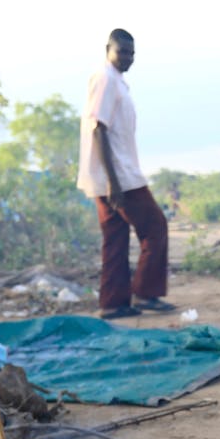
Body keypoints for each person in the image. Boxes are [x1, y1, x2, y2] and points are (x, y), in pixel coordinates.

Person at [78, 28, 175, 319]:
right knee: (155, 228)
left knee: (116, 237)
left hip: (109, 176)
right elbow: (98, 129)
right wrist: (113, 182)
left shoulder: (116, 81)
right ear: (108, 49)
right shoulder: (106, 79)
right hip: (118, 177)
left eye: (132, 53)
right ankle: (145, 293)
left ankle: (114, 302)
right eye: (122, 52)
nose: (128, 58)